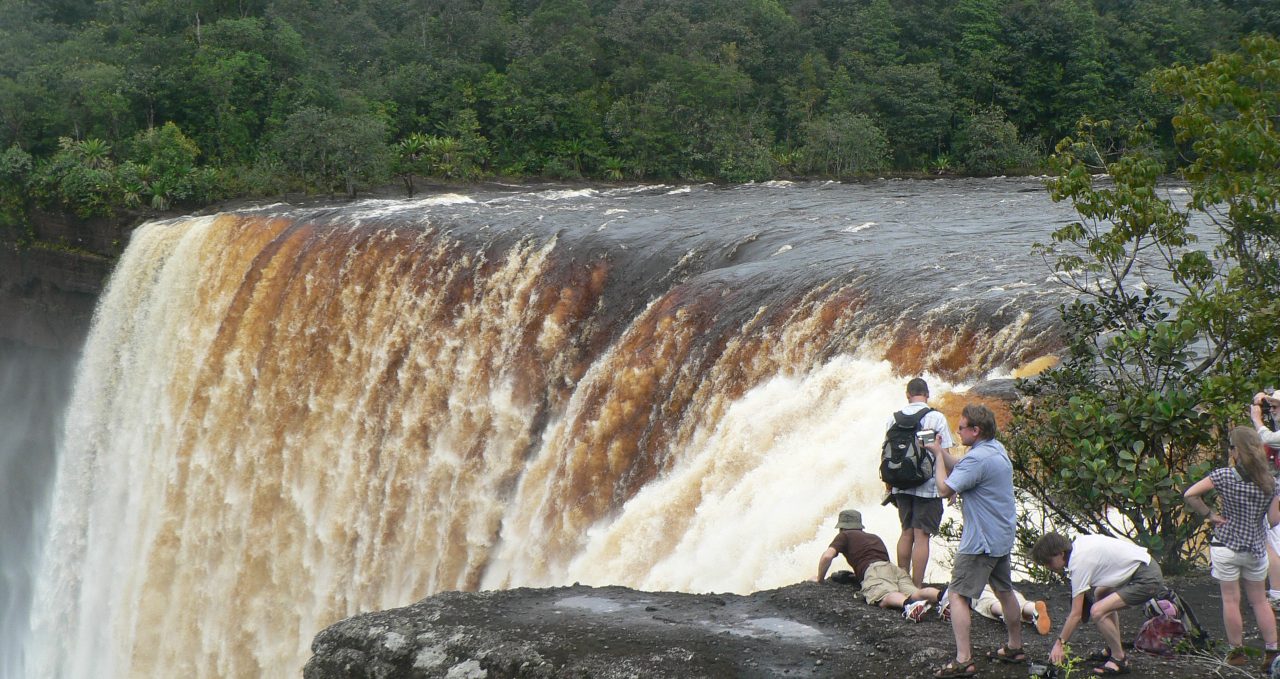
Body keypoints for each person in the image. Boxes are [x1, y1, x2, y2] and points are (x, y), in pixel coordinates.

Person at [925, 404, 1021, 678]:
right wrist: (941, 451)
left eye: (962, 426)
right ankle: (1015, 646)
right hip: (1001, 535)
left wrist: (936, 457)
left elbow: (944, 488)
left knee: (958, 595)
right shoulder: (995, 449)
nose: (958, 430)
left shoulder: (977, 460)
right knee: (1004, 591)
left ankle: (964, 659)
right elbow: (962, 467)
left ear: (975, 431)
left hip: (980, 541)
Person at [1184, 426, 1280, 670]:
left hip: (1226, 545)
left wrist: (1211, 515)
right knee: (1260, 601)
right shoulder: (1270, 481)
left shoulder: (1224, 476)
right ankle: (1271, 653)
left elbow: (1190, 494)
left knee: (1230, 600)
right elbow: (1273, 519)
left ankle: (1236, 653)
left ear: (1236, 451)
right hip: (1256, 547)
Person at [1031, 532, 1164, 676]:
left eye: (1049, 562)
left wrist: (1059, 644)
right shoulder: (1078, 547)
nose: (1048, 567)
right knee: (1100, 594)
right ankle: (1114, 648)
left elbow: (1076, 615)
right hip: (1141, 568)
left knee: (1097, 611)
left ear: (1061, 553)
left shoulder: (1078, 563)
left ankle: (1119, 659)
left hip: (1147, 579)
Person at [885, 377, 955, 587]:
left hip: (901, 482)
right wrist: (952, 486)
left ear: (907, 395)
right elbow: (945, 453)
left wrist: (889, 485)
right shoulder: (935, 418)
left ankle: (902, 581)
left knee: (906, 532)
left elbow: (888, 453)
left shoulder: (893, 419)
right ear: (927, 395)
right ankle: (916, 586)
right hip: (929, 485)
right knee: (921, 536)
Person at [814, 509, 941, 620]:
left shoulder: (844, 535)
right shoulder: (874, 537)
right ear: (860, 526)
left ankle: (908, 605)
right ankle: (942, 597)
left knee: (883, 597)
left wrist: (819, 579)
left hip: (875, 570)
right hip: (893, 569)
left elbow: (827, 556)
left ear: (841, 527)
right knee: (915, 593)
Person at [939, 585, 1051, 636]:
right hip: (1001, 585)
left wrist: (920, 594)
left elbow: (932, 594)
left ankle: (1005, 613)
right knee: (1017, 602)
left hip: (978, 592)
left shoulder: (952, 589)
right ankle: (1033, 609)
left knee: (991, 605)